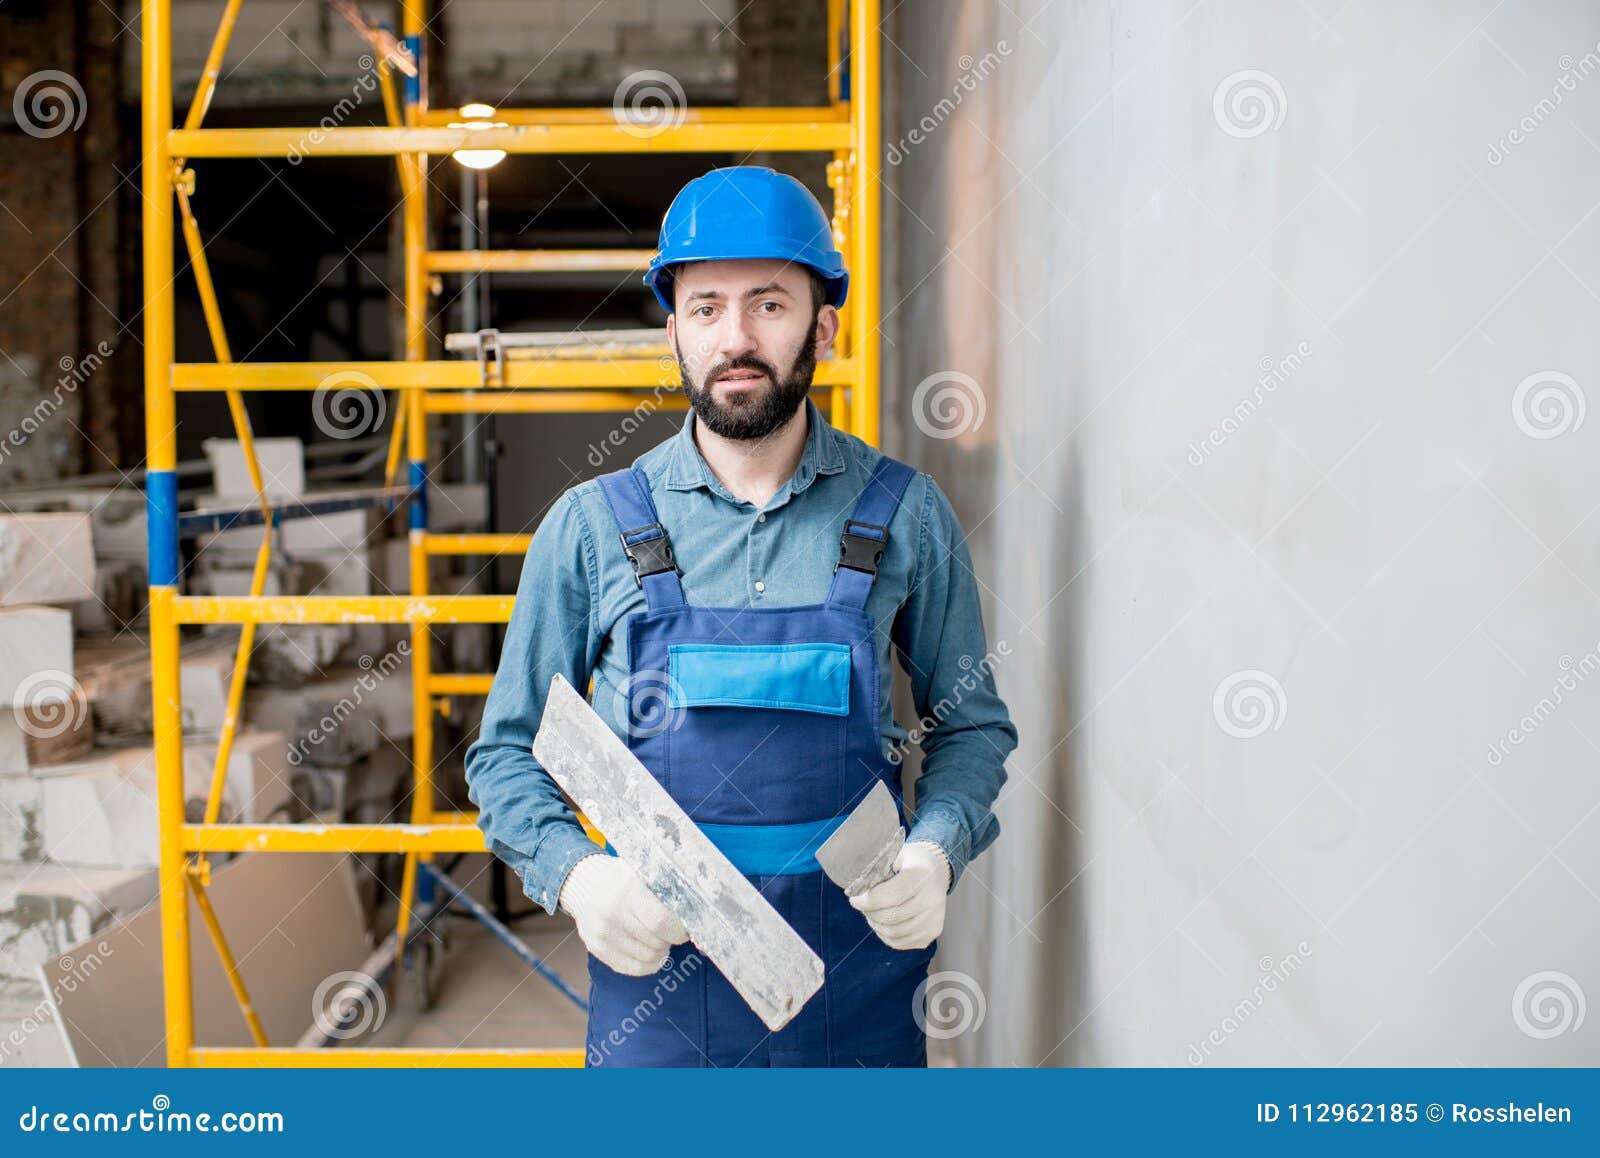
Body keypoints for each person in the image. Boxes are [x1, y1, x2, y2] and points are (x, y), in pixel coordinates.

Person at [465, 165, 1017, 1067]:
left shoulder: (906, 515)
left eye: (769, 304)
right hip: (661, 997)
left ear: (822, 326)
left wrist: (936, 851)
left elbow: (972, 729)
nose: (737, 337)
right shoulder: (593, 526)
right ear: (673, 330)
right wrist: (578, 876)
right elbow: (502, 754)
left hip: (857, 992)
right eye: (707, 307)